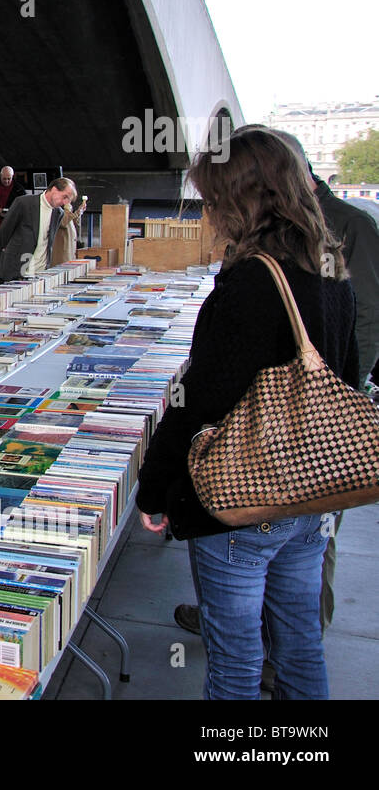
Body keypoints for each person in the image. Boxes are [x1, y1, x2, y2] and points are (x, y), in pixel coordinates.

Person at [137, 125, 357, 700]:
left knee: (235, 661)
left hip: (241, 499)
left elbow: (197, 403)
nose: (208, 213)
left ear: (240, 200)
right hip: (311, 493)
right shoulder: (329, 268)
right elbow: (347, 379)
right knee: (300, 644)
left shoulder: (249, 284)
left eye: (212, 200)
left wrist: (154, 489)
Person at [0, 178, 76, 281]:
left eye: (68, 200)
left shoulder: (58, 213)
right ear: (54, 189)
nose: (64, 203)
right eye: (64, 197)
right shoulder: (23, 203)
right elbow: (4, 231)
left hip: (41, 273)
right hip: (17, 271)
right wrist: (7, 254)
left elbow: (49, 242)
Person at [51, 195, 88, 267]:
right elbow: (63, 222)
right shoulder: (57, 209)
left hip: (70, 248)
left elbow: (73, 222)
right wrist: (67, 208)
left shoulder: (67, 212)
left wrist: (79, 211)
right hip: (62, 252)